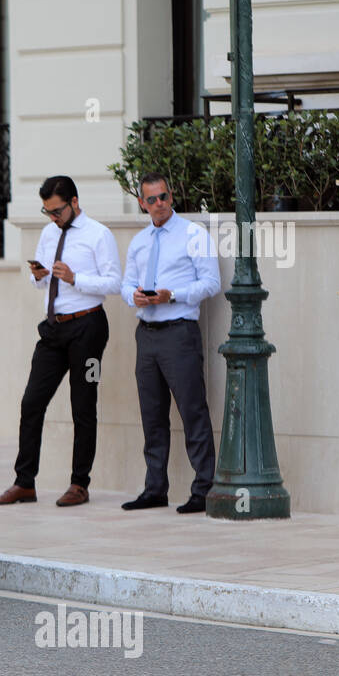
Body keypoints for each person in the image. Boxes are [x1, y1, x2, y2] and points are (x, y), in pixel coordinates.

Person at [0, 175, 120, 508]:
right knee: (32, 402)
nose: (53, 218)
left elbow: (114, 283)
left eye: (57, 211)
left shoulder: (98, 234)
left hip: (88, 328)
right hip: (52, 329)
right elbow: (39, 284)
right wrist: (38, 275)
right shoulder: (49, 234)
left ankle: (79, 483)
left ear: (74, 203)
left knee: (83, 404)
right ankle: (24, 483)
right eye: (47, 211)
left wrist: (76, 278)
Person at [120, 172, 221, 514]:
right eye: (152, 199)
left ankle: (204, 488)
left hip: (179, 331)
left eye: (164, 196)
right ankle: (155, 488)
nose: (160, 204)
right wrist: (135, 296)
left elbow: (211, 283)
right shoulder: (140, 241)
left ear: (171, 195)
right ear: (142, 203)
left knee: (192, 410)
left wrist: (171, 295)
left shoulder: (194, 234)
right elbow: (125, 285)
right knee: (152, 414)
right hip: (146, 334)